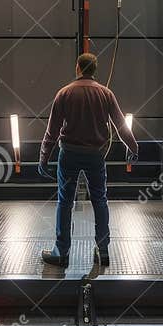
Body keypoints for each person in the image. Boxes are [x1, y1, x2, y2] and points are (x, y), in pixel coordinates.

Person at [37, 52, 139, 267]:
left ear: (78, 68)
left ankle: (61, 252)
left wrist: (43, 158)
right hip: (95, 155)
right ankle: (102, 251)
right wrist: (134, 147)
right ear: (95, 69)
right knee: (100, 200)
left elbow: (52, 131)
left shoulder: (64, 94)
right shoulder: (106, 94)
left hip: (69, 155)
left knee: (65, 202)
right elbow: (121, 126)